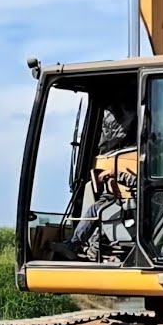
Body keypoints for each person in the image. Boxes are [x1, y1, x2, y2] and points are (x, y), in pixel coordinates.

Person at [66, 100, 139, 259]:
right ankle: (84, 246)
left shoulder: (149, 164)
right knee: (98, 207)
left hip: (135, 199)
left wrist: (115, 174)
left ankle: (76, 244)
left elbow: (138, 182)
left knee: (96, 210)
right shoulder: (129, 155)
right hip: (118, 195)